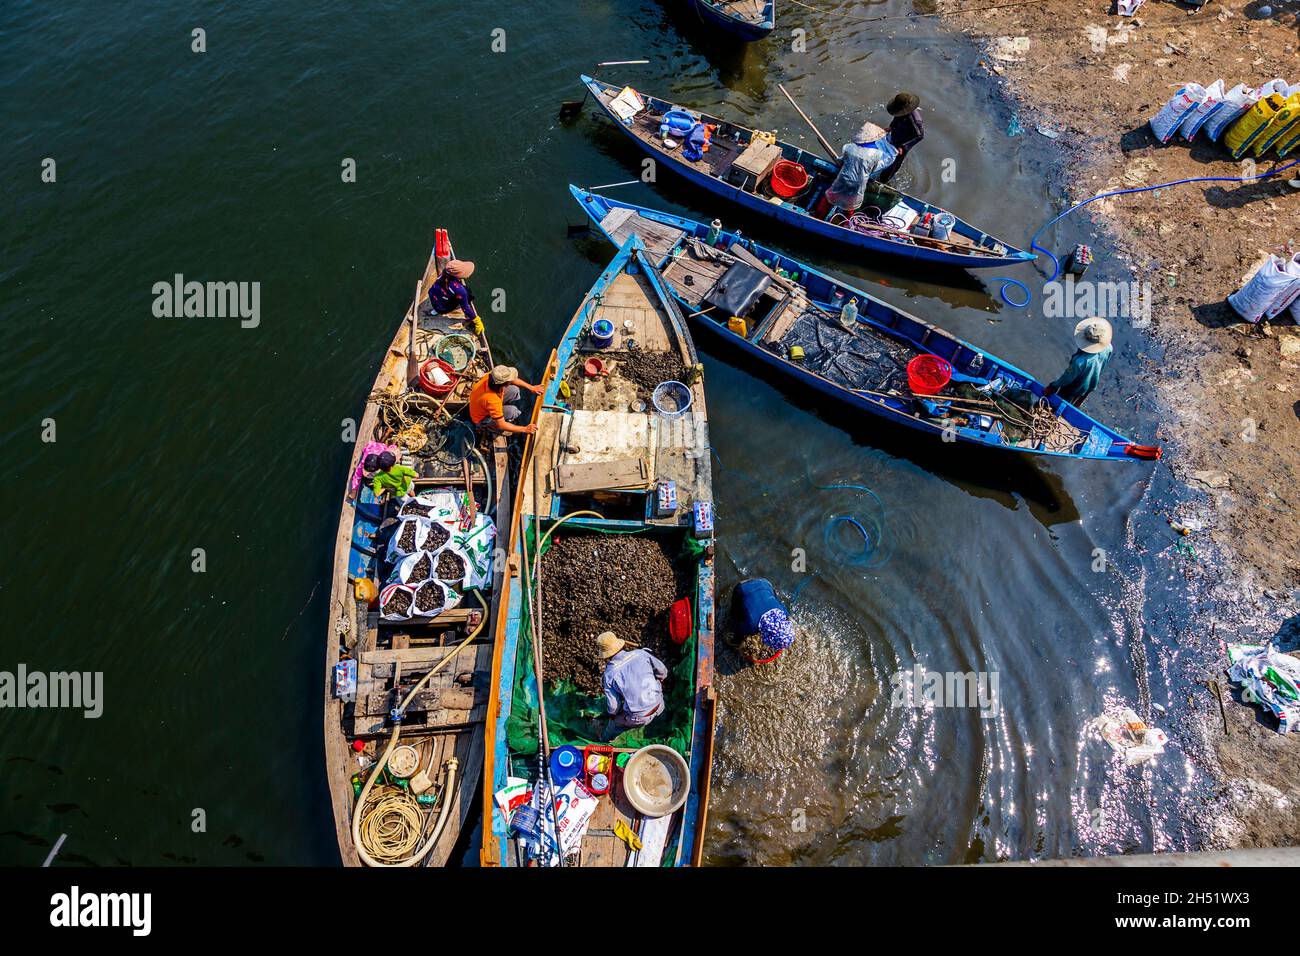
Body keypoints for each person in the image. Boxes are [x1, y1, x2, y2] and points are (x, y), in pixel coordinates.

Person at [812, 122, 898, 220]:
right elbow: (873, 169)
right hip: (857, 188)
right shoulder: (877, 155)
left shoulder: (848, 148)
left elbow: (841, 161)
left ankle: (818, 217)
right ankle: (843, 223)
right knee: (850, 209)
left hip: (842, 182)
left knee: (827, 200)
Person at [598, 632, 668, 729]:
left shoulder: (609, 674)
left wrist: (612, 715)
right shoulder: (641, 653)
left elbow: (613, 707)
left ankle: (606, 738)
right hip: (660, 703)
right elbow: (663, 672)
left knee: (615, 723)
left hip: (640, 718)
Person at [1045, 318, 1113, 407]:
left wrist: (1052, 386)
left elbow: (1066, 378)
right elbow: (1102, 366)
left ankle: (1053, 410)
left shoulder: (1079, 362)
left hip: (1074, 387)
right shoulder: (1108, 348)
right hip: (1092, 383)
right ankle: (1075, 406)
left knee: (1062, 400)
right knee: (1077, 402)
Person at [732, 578, 796, 661]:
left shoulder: (784, 613)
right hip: (742, 588)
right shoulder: (752, 626)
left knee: (771, 598)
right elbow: (739, 628)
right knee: (734, 613)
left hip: (764, 583)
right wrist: (738, 642)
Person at [469, 364, 543, 436]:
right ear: (505, 384)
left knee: (515, 390)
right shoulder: (492, 400)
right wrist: (525, 429)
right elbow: (501, 425)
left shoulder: (491, 377)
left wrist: (531, 387)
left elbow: (512, 380)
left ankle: (499, 413)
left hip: (481, 405)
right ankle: (490, 427)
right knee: (513, 411)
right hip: (481, 419)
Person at [878, 92, 923, 186]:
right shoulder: (900, 112)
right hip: (895, 135)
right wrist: (891, 127)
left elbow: (919, 136)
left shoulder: (915, 121)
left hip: (903, 142)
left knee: (895, 163)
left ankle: (884, 181)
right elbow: (896, 118)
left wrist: (903, 146)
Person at [426, 260, 482, 334]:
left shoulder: (443, 274)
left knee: (444, 295)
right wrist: (476, 320)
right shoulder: (460, 290)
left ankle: (435, 311)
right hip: (443, 308)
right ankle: (440, 309)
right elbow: (465, 308)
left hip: (433, 299)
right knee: (467, 291)